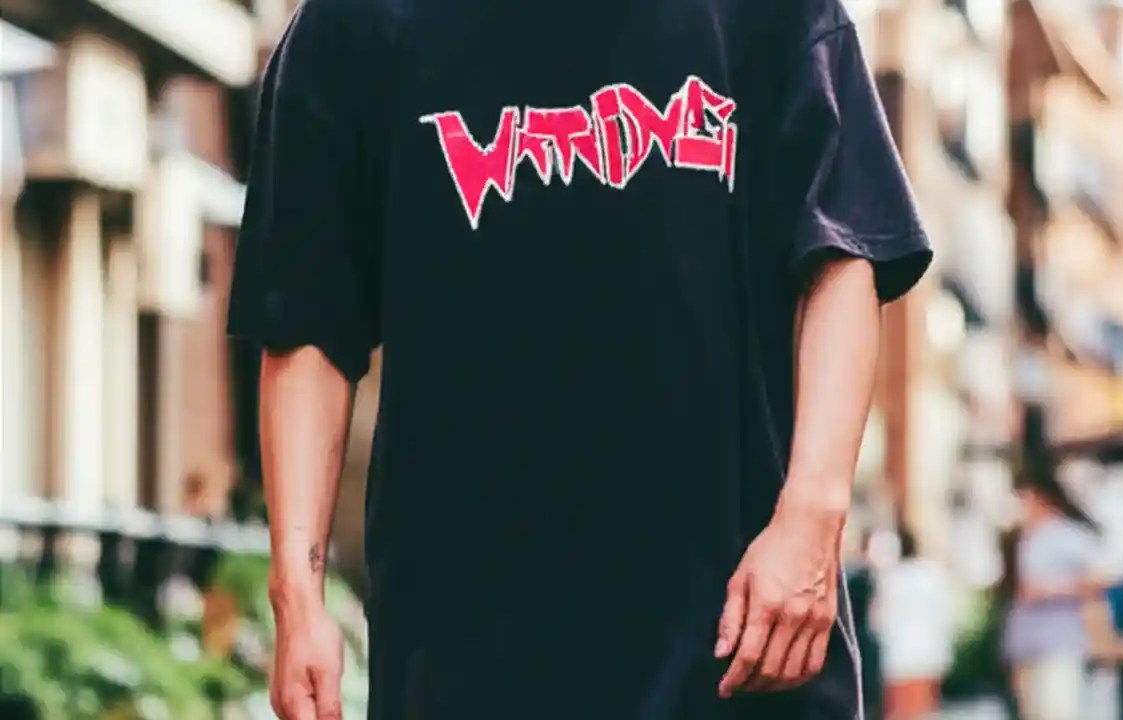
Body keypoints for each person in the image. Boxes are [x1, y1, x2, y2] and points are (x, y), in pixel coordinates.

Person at [227, 0, 932, 717]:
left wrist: (811, 518)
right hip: (469, 659)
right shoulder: (353, 22)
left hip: (738, 644)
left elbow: (844, 254)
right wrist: (297, 593)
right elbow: (307, 321)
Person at [1002, 475, 1103, 720]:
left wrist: (1050, 590)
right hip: (1026, 640)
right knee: (1031, 711)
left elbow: (1098, 579)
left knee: (1057, 709)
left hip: (1059, 640)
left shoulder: (1070, 535)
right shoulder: (1026, 537)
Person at [873, 528, 955, 720]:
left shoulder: (889, 579)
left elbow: (878, 619)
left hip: (898, 653)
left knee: (899, 711)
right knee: (925, 709)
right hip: (927, 651)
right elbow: (946, 614)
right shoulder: (932, 575)